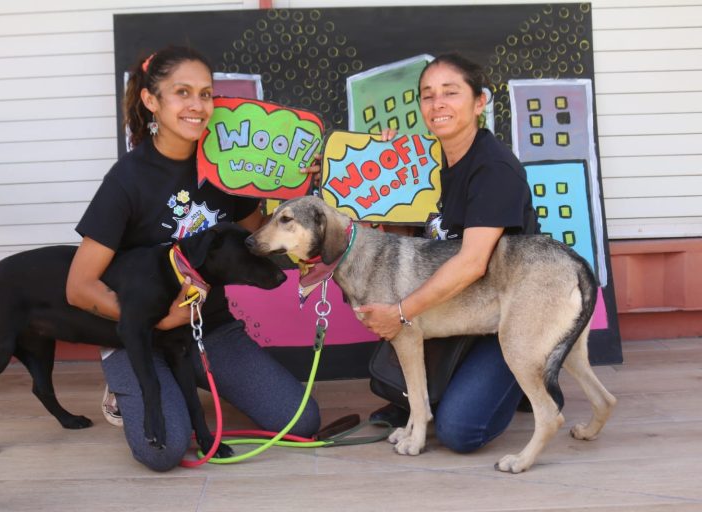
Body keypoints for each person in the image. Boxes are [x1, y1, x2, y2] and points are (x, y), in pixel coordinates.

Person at [65, 45, 320, 471]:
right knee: (163, 450)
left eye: (206, 94)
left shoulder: (228, 165)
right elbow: (79, 287)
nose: (198, 106)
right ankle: (124, 383)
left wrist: (293, 185)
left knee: (302, 421)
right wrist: (158, 321)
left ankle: (191, 380)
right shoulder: (127, 180)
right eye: (182, 92)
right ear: (151, 100)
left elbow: (255, 239)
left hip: (208, 329)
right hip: (140, 334)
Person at [356, 52, 539, 454]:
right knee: (404, 391)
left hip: (502, 313)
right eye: (427, 95)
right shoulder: (423, 161)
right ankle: (474, 387)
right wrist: (383, 179)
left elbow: (473, 263)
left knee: (460, 431)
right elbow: (408, 239)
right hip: (449, 310)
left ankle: (533, 381)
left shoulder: (494, 169)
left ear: (479, 102)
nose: (437, 104)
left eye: (450, 93)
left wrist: (400, 312)